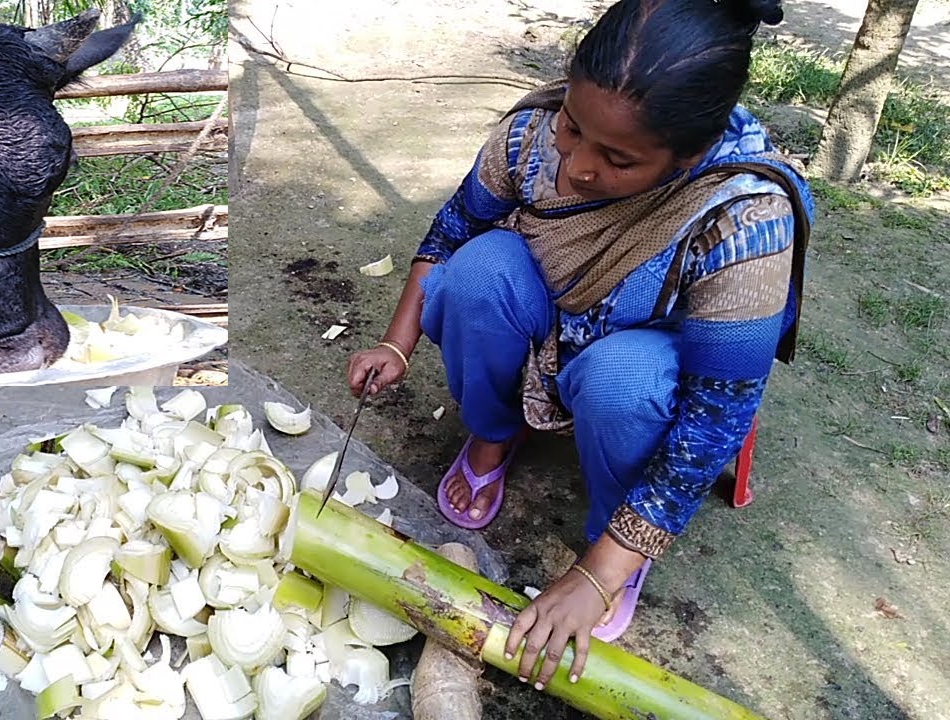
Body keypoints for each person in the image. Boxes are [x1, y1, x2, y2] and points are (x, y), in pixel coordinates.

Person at [346, 0, 812, 692]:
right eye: (574, 127)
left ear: (689, 155)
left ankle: (617, 542)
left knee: (624, 379)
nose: (578, 166)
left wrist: (595, 574)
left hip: (642, 367)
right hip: (550, 325)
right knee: (477, 271)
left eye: (618, 159)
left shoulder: (744, 219)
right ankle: (492, 433)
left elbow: (717, 418)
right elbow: (448, 235)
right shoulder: (531, 136)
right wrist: (397, 341)